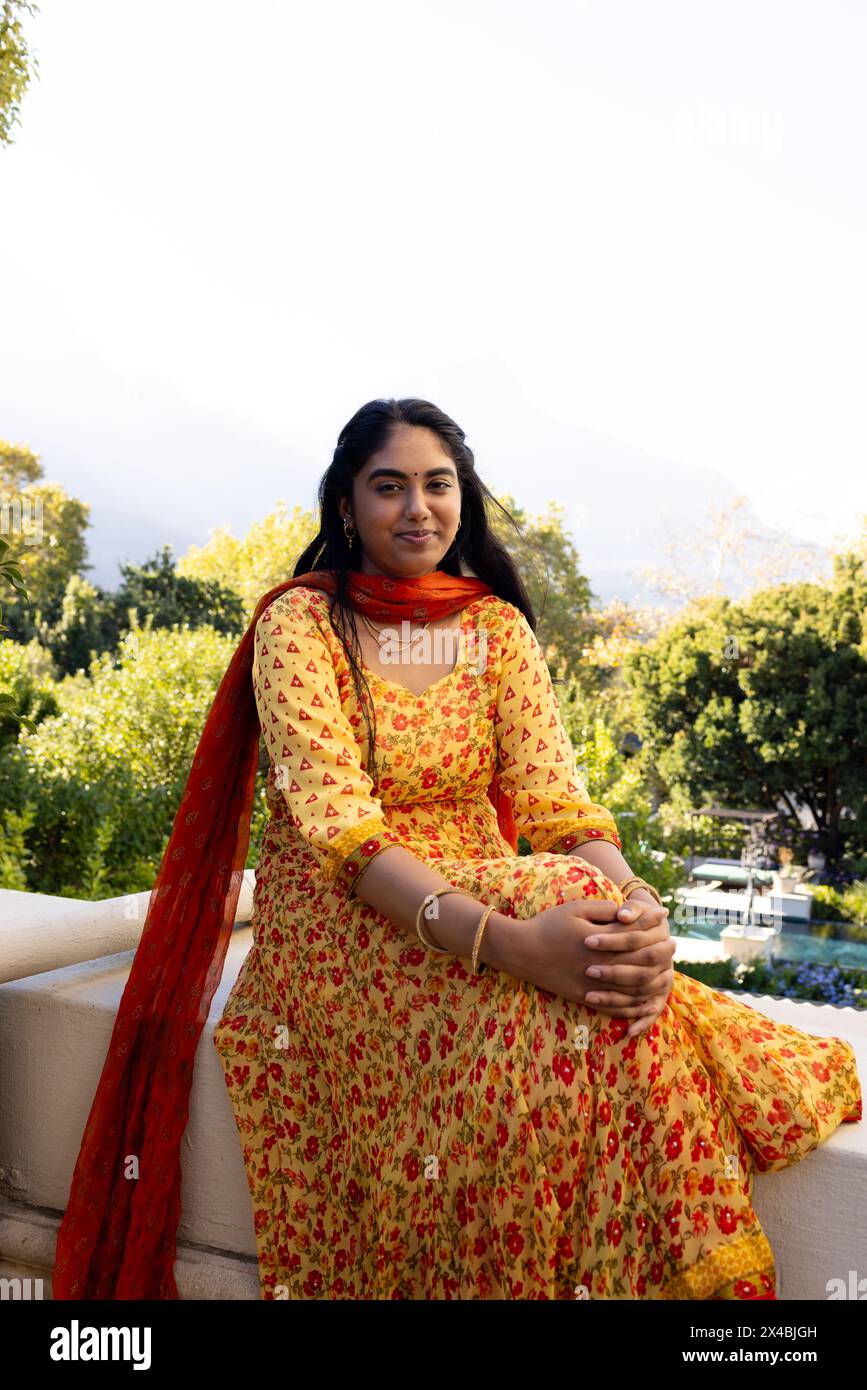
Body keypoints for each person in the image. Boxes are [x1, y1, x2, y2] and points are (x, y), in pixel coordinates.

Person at [53, 397, 861, 1302]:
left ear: (462, 499)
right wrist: (512, 945)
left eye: (436, 485)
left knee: (580, 956)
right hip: (342, 923)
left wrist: (637, 904)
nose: (415, 509)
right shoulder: (301, 627)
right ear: (347, 506)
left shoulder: (493, 629)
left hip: (492, 884)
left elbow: (557, 804)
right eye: (387, 486)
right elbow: (339, 831)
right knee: (572, 963)